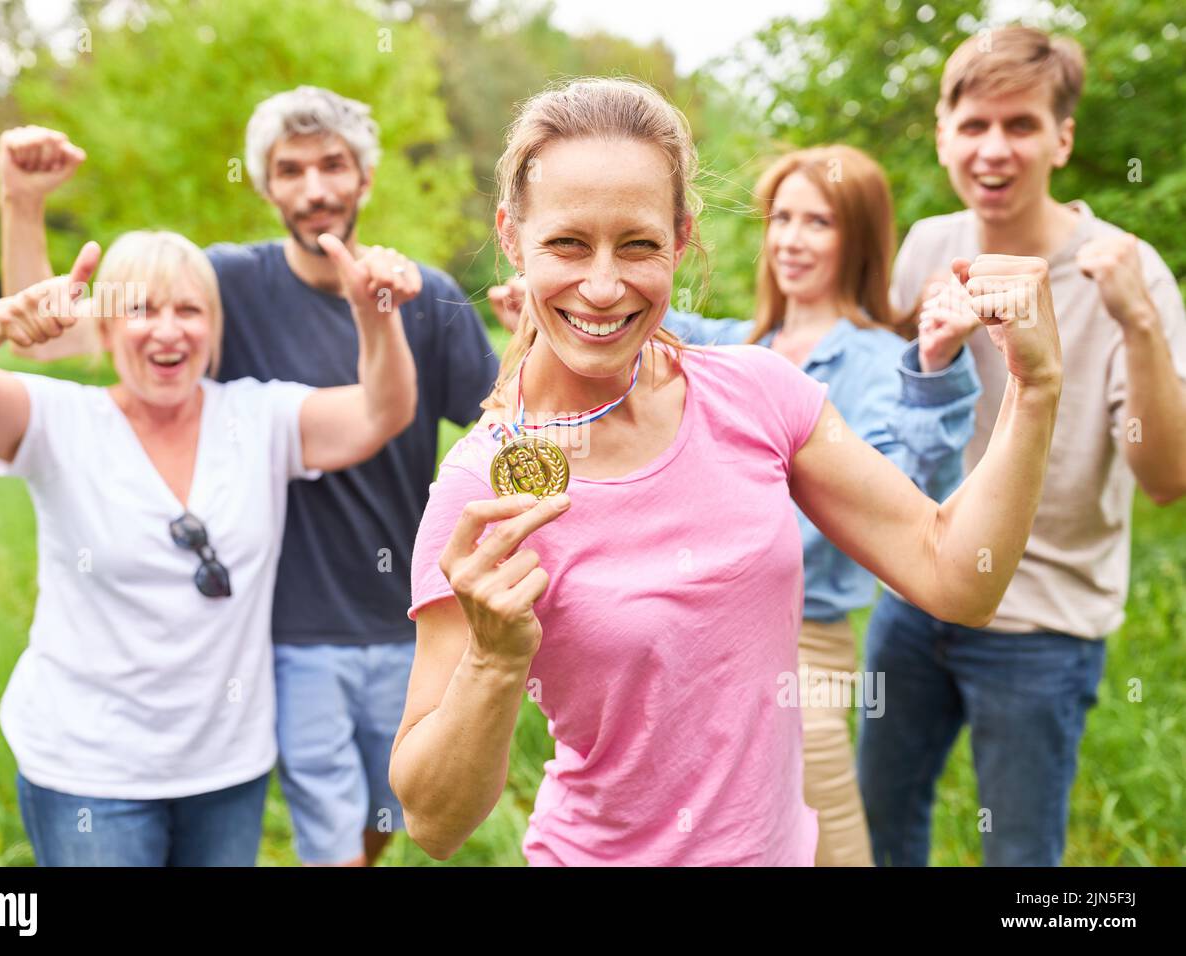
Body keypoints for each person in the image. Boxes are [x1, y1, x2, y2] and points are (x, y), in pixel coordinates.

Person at [389, 76, 1062, 866]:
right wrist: (495, 660)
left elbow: (958, 576)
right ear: (512, 235)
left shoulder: (760, 393)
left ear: (680, 237)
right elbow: (434, 824)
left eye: (637, 245)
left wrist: (1036, 388)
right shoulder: (485, 488)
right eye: (568, 243)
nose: (603, 286)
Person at [0, 87, 499, 867]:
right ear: (266, 188)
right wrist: (22, 207)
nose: (315, 189)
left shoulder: (424, 295)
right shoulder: (226, 285)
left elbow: (500, 425)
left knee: (391, 815)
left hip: (411, 619)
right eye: (289, 171)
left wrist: (541, 320)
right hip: (292, 630)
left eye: (333, 166)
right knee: (328, 830)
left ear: (365, 178)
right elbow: (50, 337)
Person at [490, 144, 982, 866]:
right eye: (781, 217)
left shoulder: (880, 359)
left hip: (799, 639)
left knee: (834, 846)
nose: (791, 237)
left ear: (860, 236)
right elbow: (613, 353)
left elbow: (898, 508)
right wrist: (543, 324)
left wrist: (939, 372)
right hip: (673, 640)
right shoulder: (728, 343)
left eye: (819, 221)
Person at [0, 229, 418, 866]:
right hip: (91, 773)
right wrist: (5, 317)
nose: (168, 330)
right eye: (140, 309)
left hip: (227, 767)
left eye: (189, 310)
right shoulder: (59, 420)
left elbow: (382, 412)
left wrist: (374, 316)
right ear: (105, 332)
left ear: (213, 329)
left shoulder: (260, 419)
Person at [857, 26, 1186, 868]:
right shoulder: (929, 246)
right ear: (942, 134)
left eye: (1022, 125)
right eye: (973, 126)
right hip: (916, 594)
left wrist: (1138, 324)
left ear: (1062, 138)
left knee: (1022, 863)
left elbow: (1166, 478)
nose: (994, 149)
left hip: (1044, 623)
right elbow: (887, 409)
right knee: (879, 832)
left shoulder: (1130, 271)